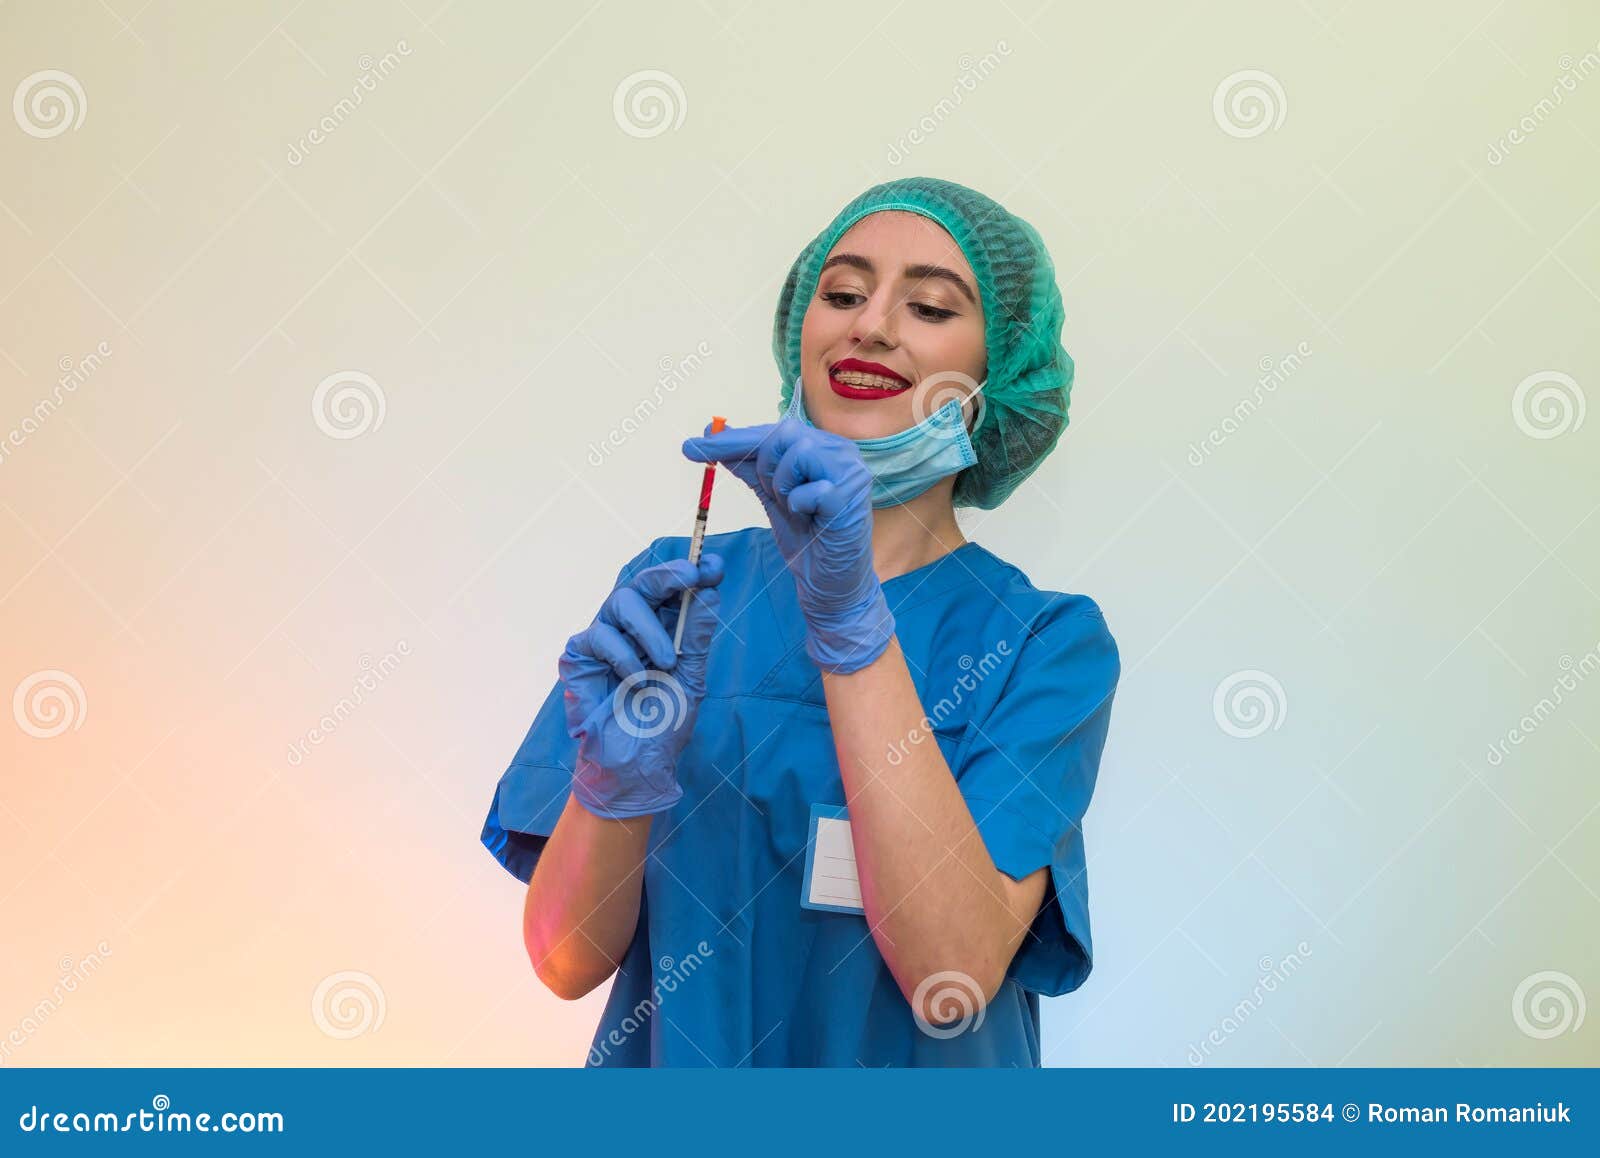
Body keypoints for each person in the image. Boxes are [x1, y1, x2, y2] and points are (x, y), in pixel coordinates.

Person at [480, 176, 1120, 1067]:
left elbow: (953, 972)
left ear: (997, 377)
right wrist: (609, 788)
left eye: (930, 306)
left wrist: (852, 625)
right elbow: (562, 958)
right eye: (845, 293)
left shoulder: (1043, 645)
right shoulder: (680, 594)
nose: (871, 326)